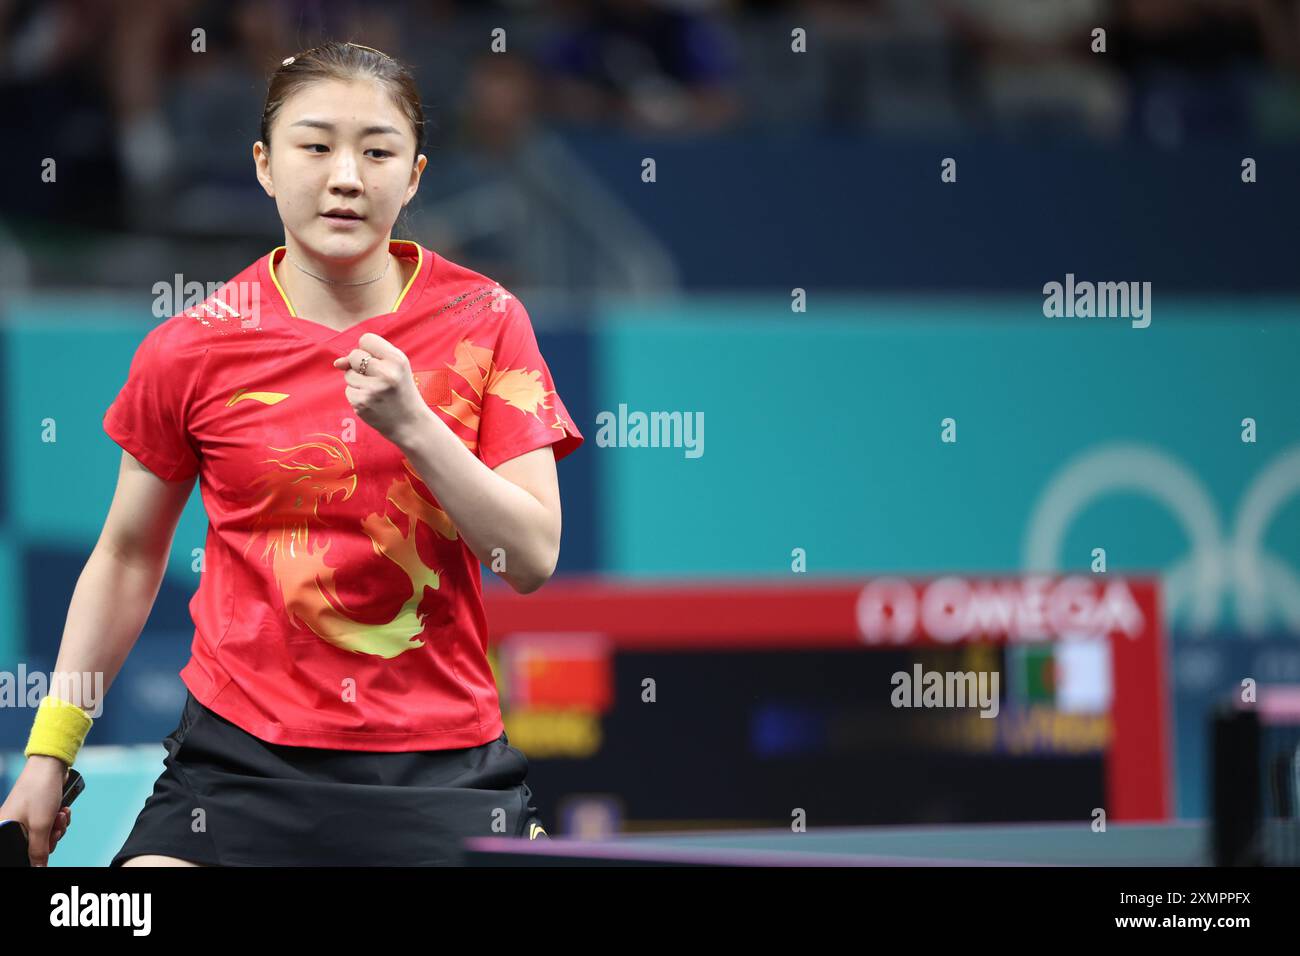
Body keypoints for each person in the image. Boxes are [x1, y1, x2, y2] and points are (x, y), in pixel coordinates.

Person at [0, 40, 583, 867]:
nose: (346, 175)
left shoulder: (488, 320)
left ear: (413, 176)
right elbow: (127, 556)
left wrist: (415, 424)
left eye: (378, 151)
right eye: (315, 145)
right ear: (266, 165)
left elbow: (529, 556)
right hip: (238, 768)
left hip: (438, 768)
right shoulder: (190, 347)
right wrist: (49, 754)